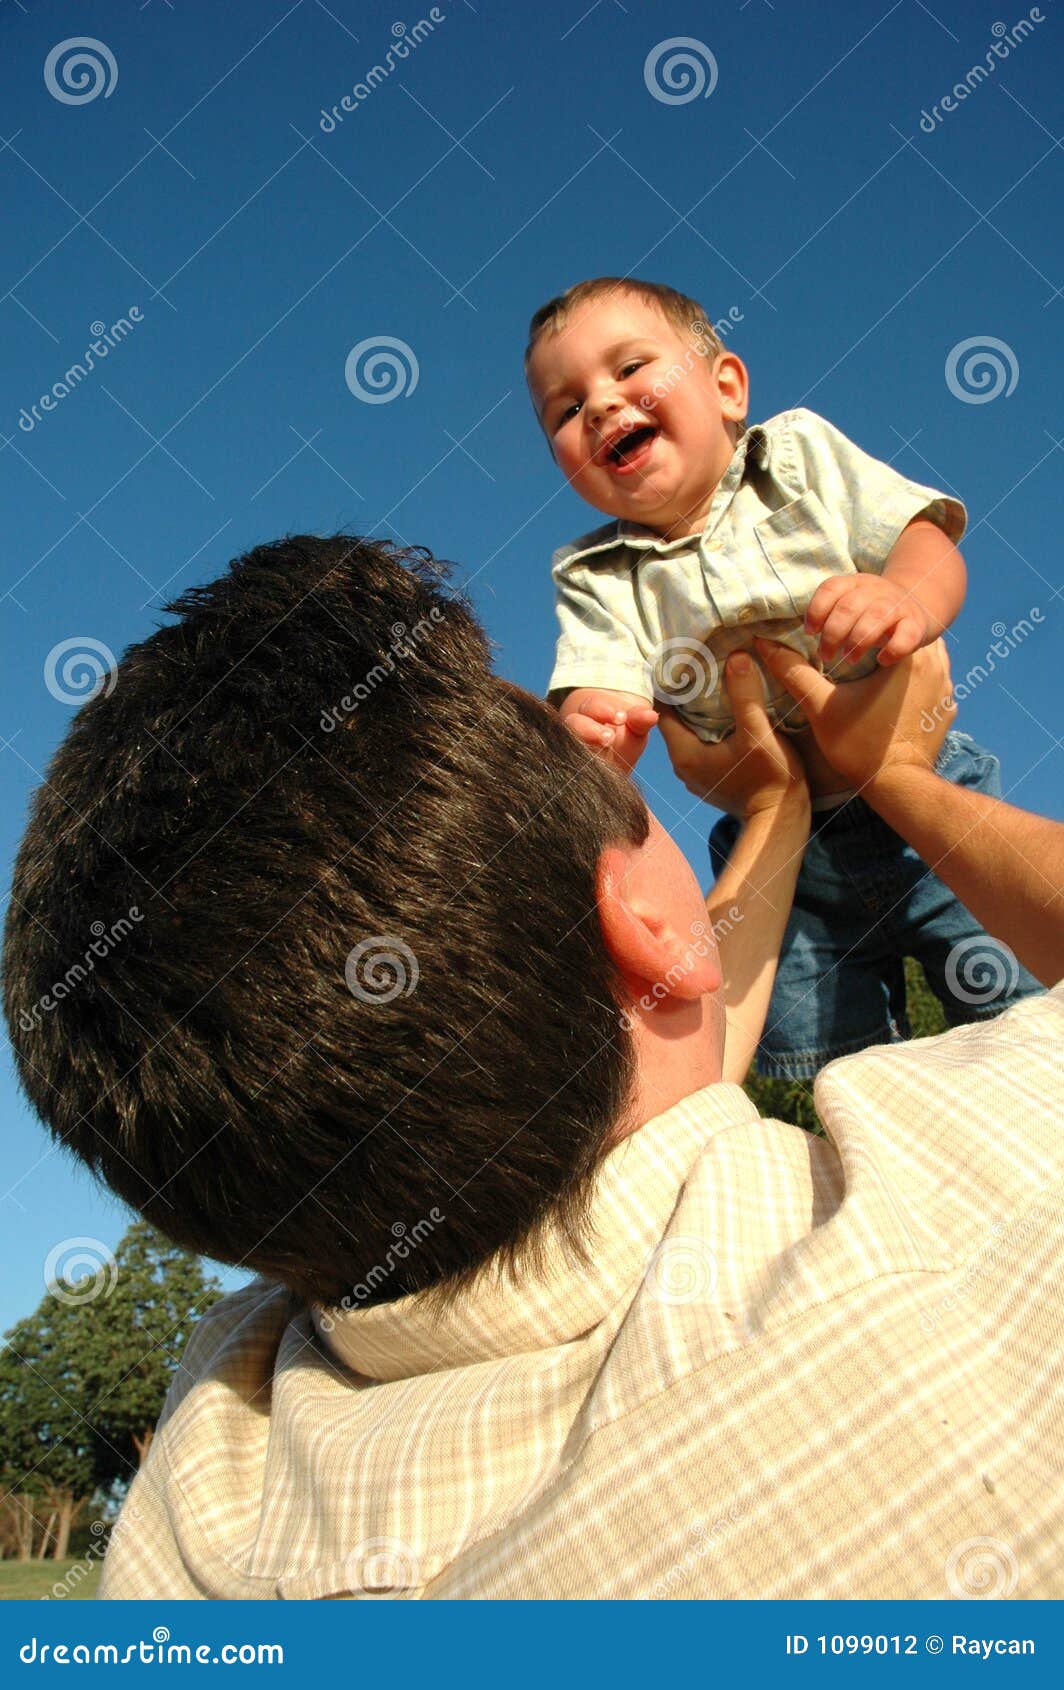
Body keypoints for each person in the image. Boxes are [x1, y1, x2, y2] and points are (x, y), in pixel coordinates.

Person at [3, 536, 1061, 1600]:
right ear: (648, 919)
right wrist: (893, 775)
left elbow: (658, 1072)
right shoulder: (977, 1182)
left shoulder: (209, 1475)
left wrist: (778, 809)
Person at [525, 277, 1043, 1079]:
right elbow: (601, 682)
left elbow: (924, 538)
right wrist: (597, 722)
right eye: (564, 409)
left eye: (629, 368)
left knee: (1023, 1001)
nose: (599, 404)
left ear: (727, 388)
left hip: (924, 790)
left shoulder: (797, 458)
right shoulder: (597, 575)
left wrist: (904, 596)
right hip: (786, 863)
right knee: (829, 1063)